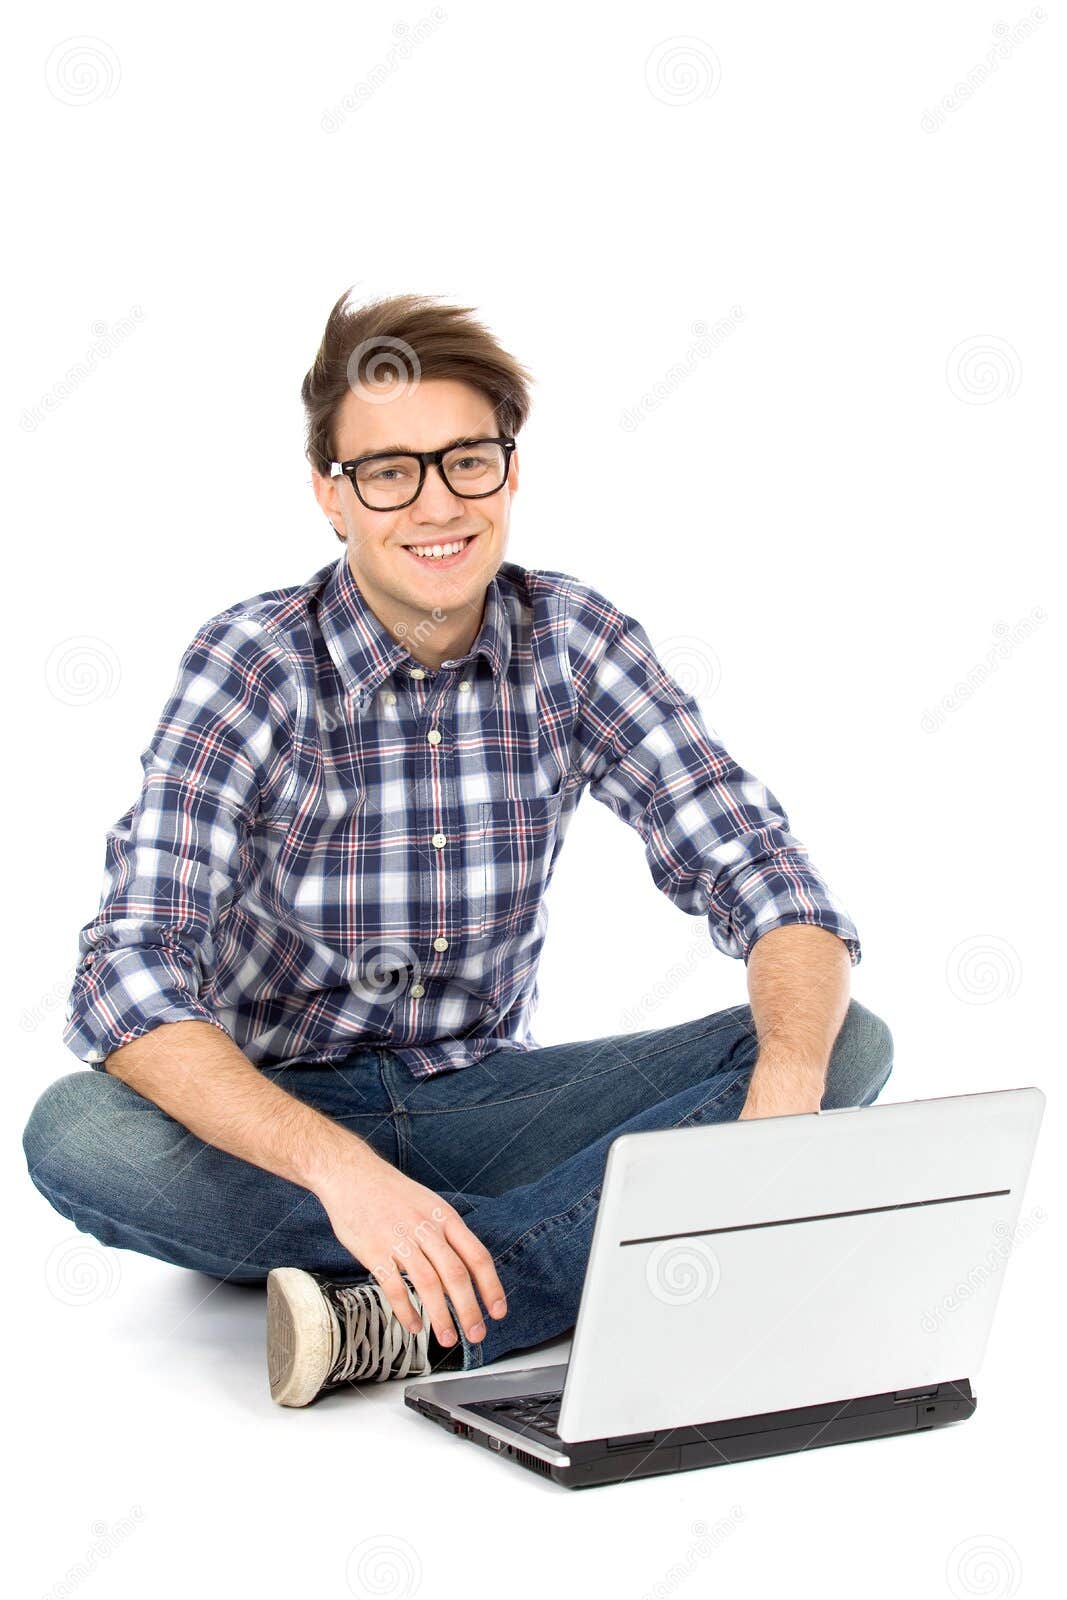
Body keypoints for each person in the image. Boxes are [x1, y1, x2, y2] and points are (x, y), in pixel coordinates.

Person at [23, 288, 893, 1409]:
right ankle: (552, 1252)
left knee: (839, 1043)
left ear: (510, 473)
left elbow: (769, 881)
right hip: (279, 1119)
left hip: (487, 1103)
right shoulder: (249, 662)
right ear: (331, 499)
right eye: (389, 471)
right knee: (82, 1133)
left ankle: (399, 1312)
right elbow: (128, 971)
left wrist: (780, 1084)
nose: (435, 503)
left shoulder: (575, 639)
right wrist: (340, 1170)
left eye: (466, 461)